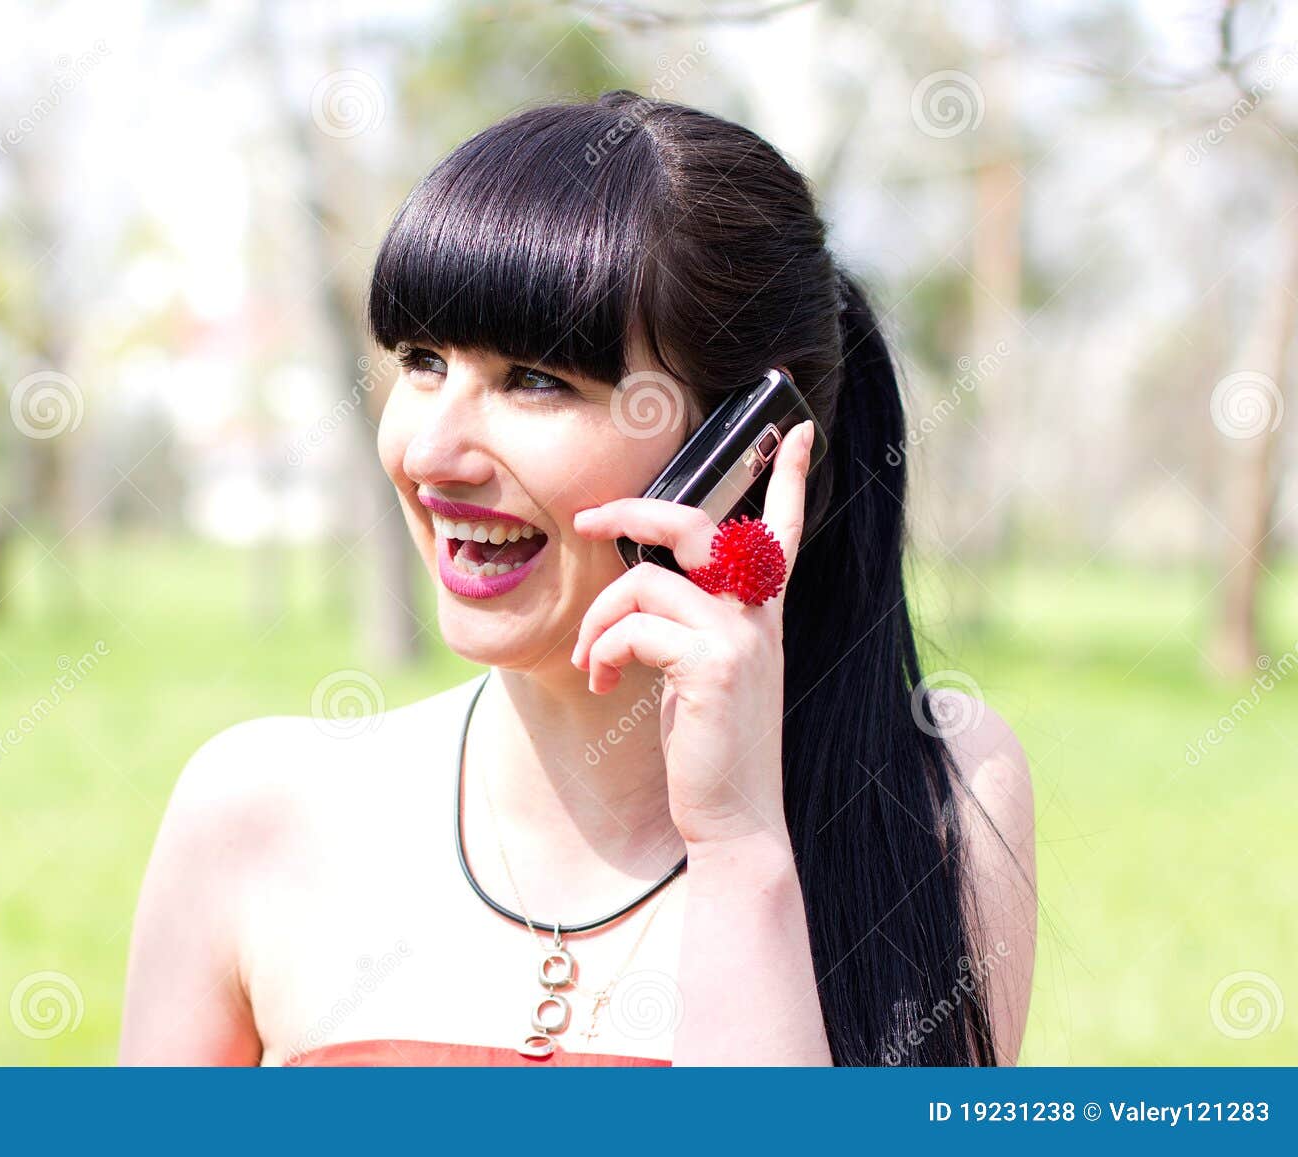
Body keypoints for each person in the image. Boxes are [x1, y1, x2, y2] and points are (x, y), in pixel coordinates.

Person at [119, 90, 1037, 1067]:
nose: (433, 451)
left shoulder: (932, 791)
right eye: (422, 361)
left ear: (741, 449)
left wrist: (739, 850)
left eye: (536, 380)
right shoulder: (255, 809)